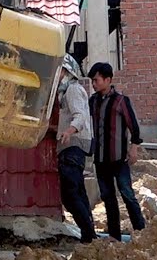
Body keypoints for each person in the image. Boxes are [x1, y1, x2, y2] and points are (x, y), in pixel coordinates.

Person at [86, 61, 146, 241]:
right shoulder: (92, 102)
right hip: (100, 159)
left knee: (127, 194)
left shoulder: (121, 101)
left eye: (96, 80)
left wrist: (133, 148)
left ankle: (142, 233)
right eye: (92, 81)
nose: (94, 84)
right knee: (108, 197)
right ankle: (114, 235)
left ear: (108, 80)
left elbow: (133, 127)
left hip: (119, 159)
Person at [55, 55, 97, 244]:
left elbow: (80, 117)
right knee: (78, 192)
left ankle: (88, 234)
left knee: (70, 195)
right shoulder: (67, 91)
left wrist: (68, 131)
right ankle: (90, 235)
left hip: (73, 146)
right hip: (72, 146)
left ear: (66, 71)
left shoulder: (72, 90)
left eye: (59, 71)